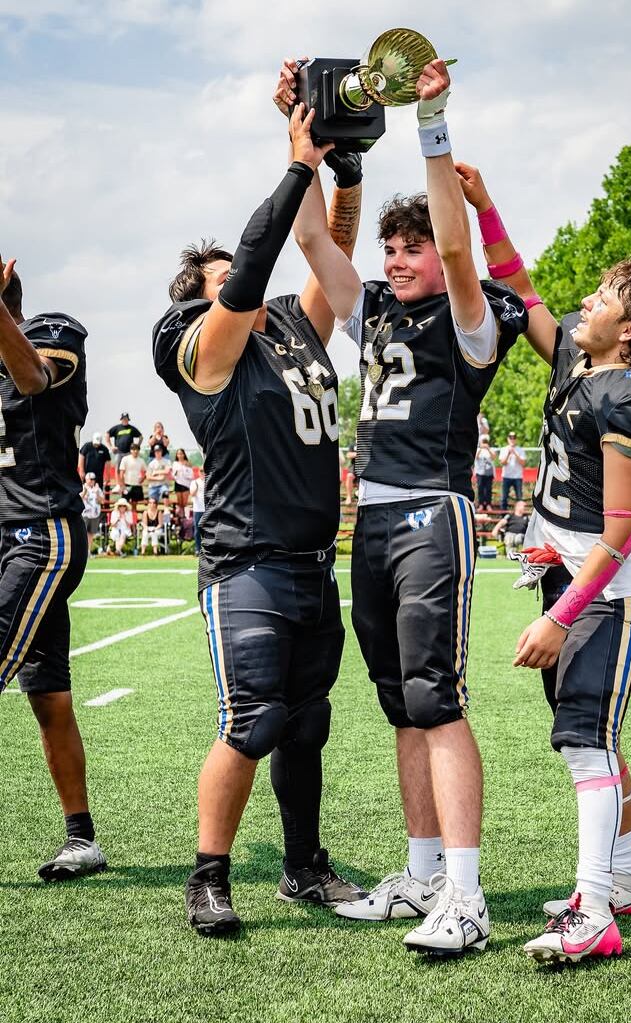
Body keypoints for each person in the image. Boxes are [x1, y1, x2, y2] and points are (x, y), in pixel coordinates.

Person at [283, 58, 528, 957]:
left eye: (410, 246)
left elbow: (462, 252)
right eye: (391, 247)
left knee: (438, 698)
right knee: (398, 703)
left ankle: (465, 892)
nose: (397, 259)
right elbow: (313, 246)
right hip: (374, 522)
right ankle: (424, 870)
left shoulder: (471, 315)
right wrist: (300, 142)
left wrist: (432, 121)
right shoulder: (378, 308)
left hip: (433, 513)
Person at [453, 161, 631, 965]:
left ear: (630, 331)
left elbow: (621, 531)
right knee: (591, 740)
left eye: (604, 297)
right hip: (567, 574)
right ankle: (627, 877)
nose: (585, 300)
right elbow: (520, 289)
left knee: (587, 742)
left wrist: (559, 616)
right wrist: (486, 204)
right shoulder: (582, 368)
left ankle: (594, 911)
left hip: (605, 588)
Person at [154, 99, 367, 937]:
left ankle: (303, 866)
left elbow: (333, 248)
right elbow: (247, 271)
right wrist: (295, 164)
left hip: (315, 559)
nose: (248, 277)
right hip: (247, 561)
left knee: (307, 723)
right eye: (225, 276)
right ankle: (207, 876)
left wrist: (344, 163)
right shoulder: (196, 342)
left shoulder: (286, 328)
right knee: (253, 720)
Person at [0, 254, 106, 880]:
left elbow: (34, 378)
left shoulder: (53, 331)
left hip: (41, 533)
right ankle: (81, 838)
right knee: (50, 697)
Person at [499, 431, 527, 508]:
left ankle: (520, 517)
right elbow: (502, 463)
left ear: (516, 439)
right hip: (506, 476)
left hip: (517, 477)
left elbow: (523, 463)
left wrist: (515, 453)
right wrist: (508, 454)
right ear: (508, 439)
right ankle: (503, 516)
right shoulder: (503, 449)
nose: (512, 439)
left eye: (514, 437)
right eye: (510, 437)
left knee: (519, 498)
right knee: (504, 498)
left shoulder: (520, 450)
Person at [119, 442, 146, 519]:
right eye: (133, 449)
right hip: (127, 484)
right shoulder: (125, 459)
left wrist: (143, 479)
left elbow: (146, 472)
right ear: (131, 450)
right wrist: (123, 485)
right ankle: (125, 522)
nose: (135, 451)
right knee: (124, 505)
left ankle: (134, 523)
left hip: (137, 485)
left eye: (137, 449)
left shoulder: (141, 460)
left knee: (134, 505)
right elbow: (121, 472)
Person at [80, 472, 104, 555]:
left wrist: (97, 492)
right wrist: (85, 492)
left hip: (95, 514)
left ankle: (88, 551)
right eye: (90, 479)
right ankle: (82, 551)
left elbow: (101, 501)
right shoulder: (82, 487)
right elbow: (79, 499)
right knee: (83, 533)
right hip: (85, 514)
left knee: (91, 534)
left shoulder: (97, 489)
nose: (92, 481)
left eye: (93, 479)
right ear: (86, 480)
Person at [474, 436, 495, 510]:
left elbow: (493, 457)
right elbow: (475, 457)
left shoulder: (491, 449)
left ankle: (488, 504)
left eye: (486, 442)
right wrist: (481, 448)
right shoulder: (478, 450)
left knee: (488, 489)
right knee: (480, 489)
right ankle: (481, 504)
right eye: (483, 442)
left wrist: (488, 449)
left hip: (489, 473)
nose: (485, 443)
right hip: (480, 473)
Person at [189, 474, 205, 554]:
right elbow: (192, 494)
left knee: (208, 530)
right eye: (201, 471)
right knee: (197, 530)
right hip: (198, 509)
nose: (203, 473)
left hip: (207, 509)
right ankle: (198, 549)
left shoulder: (208, 481)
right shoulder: (194, 482)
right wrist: (197, 487)